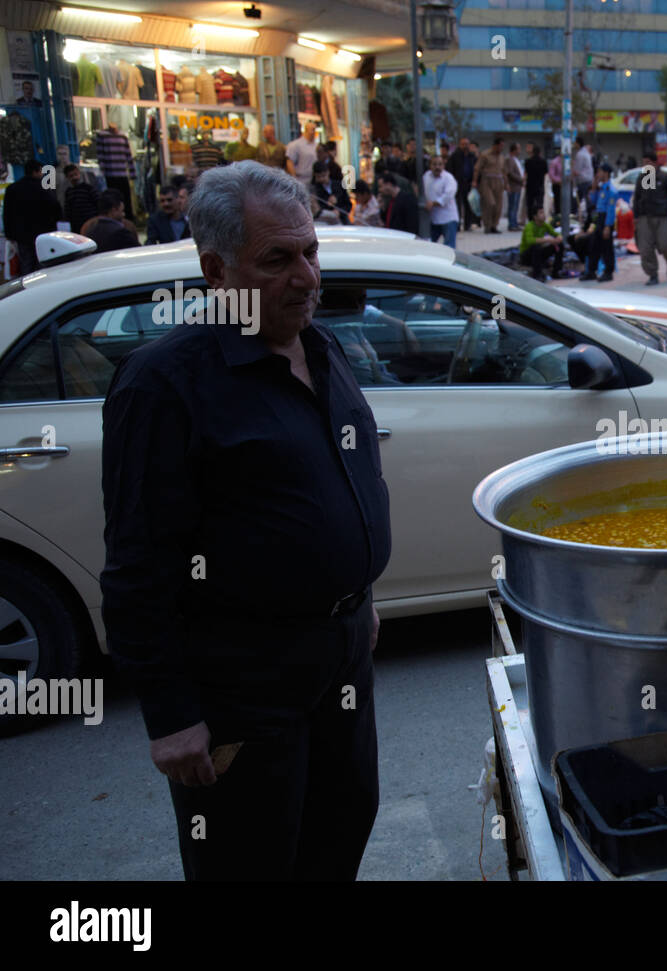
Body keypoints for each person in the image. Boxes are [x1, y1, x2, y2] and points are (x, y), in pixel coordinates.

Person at [101, 160, 389, 880]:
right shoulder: (165, 385)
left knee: (340, 832)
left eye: (312, 251)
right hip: (242, 685)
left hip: (341, 661)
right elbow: (138, 562)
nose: (308, 277)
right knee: (248, 862)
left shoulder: (320, 347)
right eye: (278, 260)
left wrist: (360, 598)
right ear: (217, 269)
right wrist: (171, 717)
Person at [2, 158, 61, 273]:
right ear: (35, 172)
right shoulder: (44, 188)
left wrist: (9, 233)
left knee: (27, 265)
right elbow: (55, 208)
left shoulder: (13, 189)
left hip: (22, 236)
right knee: (44, 264)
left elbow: (7, 213)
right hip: (42, 234)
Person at [631, 152, 667, 286]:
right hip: (645, 217)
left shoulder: (664, 177)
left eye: (648, 163)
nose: (645, 165)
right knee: (645, 249)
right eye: (644, 163)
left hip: (662, 217)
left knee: (666, 246)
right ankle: (653, 274)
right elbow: (638, 198)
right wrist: (636, 216)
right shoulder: (644, 177)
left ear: (654, 163)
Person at [578, 164, 617, 282]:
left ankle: (608, 272)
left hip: (606, 219)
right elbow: (593, 201)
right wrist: (594, 186)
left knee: (607, 247)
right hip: (599, 218)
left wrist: (607, 226)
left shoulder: (611, 189)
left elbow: (611, 210)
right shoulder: (601, 188)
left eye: (599, 172)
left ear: (605, 173)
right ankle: (591, 271)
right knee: (594, 246)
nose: (597, 174)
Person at [423, 152, 459, 247]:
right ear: (430, 165)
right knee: (429, 245)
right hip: (433, 218)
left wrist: (433, 204)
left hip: (448, 218)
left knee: (449, 247)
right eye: (434, 164)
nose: (437, 167)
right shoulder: (426, 176)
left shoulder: (448, 178)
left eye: (440, 164)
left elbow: (447, 196)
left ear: (443, 165)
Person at [472, 137, 508, 234]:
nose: (501, 148)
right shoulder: (485, 155)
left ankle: (494, 226)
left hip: (498, 182)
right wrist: (474, 181)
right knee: (489, 203)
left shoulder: (502, 157)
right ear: (495, 145)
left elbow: (504, 172)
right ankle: (487, 225)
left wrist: (506, 184)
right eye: (500, 146)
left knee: (498, 206)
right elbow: (477, 168)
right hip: (487, 181)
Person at [519, 207, 565, 281]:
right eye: (541, 213)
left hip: (539, 253)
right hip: (527, 255)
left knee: (560, 245)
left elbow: (555, 233)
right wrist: (546, 240)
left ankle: (556, 271)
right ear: (535, 217)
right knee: (536, 247)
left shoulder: (544, 225)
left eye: (543, 212)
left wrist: (559, 238)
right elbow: (530, 241)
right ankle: (537, 274)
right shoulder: (529, 226)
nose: (543, 215)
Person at [447, 137, 478, 231]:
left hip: (469, 184)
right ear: (460, 145)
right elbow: (450, 170)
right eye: (463, 144)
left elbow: (476, 170)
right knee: (457, 205)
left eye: (467, 144)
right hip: (457, 184)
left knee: (468, 205)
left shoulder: (472, 156)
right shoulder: (454, 156)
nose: (465, 146)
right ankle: (457, 225)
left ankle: (467, 225)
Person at [310, 159, 352, 225]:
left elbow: (348, 205)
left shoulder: (339, 185)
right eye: (319, 177)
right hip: (324, 221)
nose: (322, 179)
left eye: (323, 176)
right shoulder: (314, 189)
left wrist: (339, 212)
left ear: (328, 172)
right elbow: (316, 208)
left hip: (342, 220)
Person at [62, 164, 100, 236]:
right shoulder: (69, 192)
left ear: (79, 174)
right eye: (71, 176)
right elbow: (67, 210)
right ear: (67, 177)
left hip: (90, 222)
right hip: (76, 225)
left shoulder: (88, 188)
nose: (74, 177)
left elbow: (98, 202)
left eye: (76, 174)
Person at [284, 121, 318, 188]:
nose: (314, 132)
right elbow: (289, 162)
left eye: (315, 129)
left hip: (314, 181)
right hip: (301, 180)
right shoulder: (295, 145)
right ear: (306, 130)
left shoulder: (316, 145)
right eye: (312, 129)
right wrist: (294, 179)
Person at [523, 142, 548, 228]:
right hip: (540, 185)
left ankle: (531, 220)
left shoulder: (528, 161)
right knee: (540, 204)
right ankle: (540, 220)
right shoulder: (543, 161)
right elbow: (545, 172)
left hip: (530, 186)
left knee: (530, 204)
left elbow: (526, 173)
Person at [505, 142, 525, 232]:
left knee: (516, 206)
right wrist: (520, 179)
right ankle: (512, 224)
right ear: (514, 150)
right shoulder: (509, 159)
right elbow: (510, 172)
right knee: (512, 206)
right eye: (518, 149)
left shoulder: (516, 159)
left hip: (518, 186)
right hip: (513, 186)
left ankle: (514, 223)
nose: (520, 151)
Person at [572, 136, 594, 217]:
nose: (574, 144)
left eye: (575, 143)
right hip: (588, 179)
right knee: (586, 199)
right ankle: (590, 215)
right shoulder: (585, 153)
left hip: (583, 180)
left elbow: (577, 170)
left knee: (577, 201)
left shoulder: (580, 154)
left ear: (578, 144)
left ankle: (573, 215)